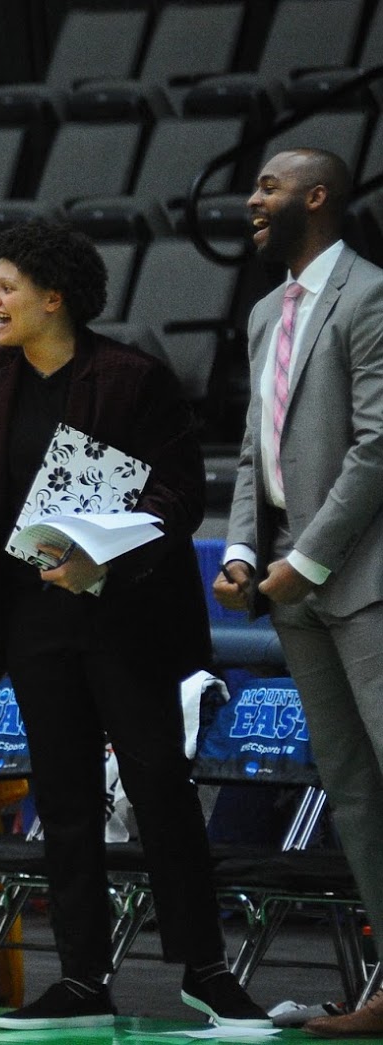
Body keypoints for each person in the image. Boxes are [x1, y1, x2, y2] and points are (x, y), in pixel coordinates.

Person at [0, 220, 269, 1031]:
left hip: (126, 619)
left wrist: (104, 560)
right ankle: (83, 978)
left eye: (7, 286)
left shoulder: (132, 378)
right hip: (34, 618)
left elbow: (179, 495)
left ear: (55, 300)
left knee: (158, 785)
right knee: (67, 798)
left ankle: (205, 970)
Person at [212, 149, 383, 1039]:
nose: (253, 200)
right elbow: (253, 452)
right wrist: (244, 550)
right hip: (294, 584)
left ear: (318, 197)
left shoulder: (370, 295)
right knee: (353, 790)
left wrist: (305, 559)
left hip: (363, 581)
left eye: (269, 187)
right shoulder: (262, 313)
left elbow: (378, 450)